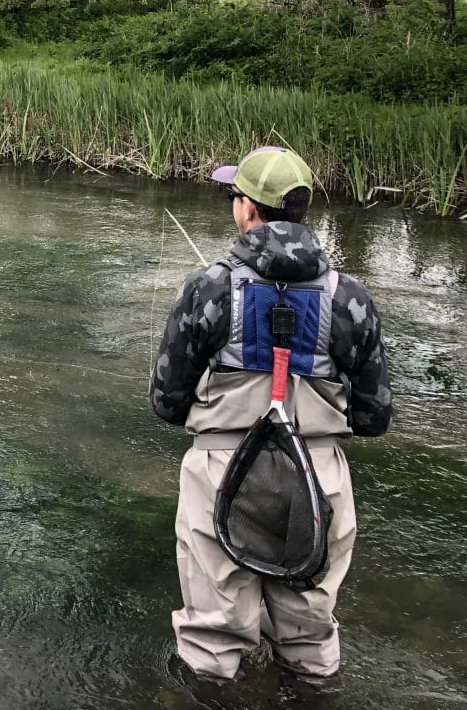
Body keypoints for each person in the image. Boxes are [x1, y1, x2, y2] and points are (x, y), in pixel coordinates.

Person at [149, 145, 392, 687]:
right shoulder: (351, 297)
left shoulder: (206, 287)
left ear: (248, 208)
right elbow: (376, 417)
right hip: (317, 477)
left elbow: (166, 402)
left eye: (235, 195)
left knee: (212, 643)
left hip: (219, 472)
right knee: (309, 638)